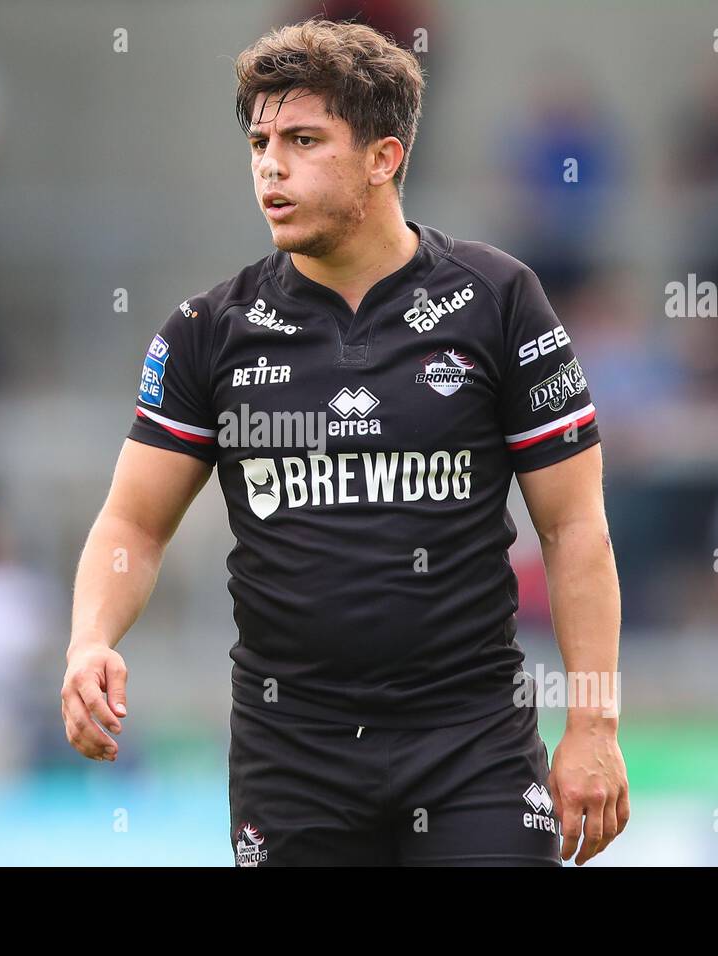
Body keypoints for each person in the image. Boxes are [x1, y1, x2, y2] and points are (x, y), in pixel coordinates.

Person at [64, 18, 628, 866]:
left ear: (383, 158)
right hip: (293, 757)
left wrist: (594, 724)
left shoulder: (499, 301)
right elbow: (133, 525)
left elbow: (575, 529)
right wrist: (89, 639)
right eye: (259, 143)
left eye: (303, 140)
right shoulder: (206, 331)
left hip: (469, 744)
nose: (270, 166)